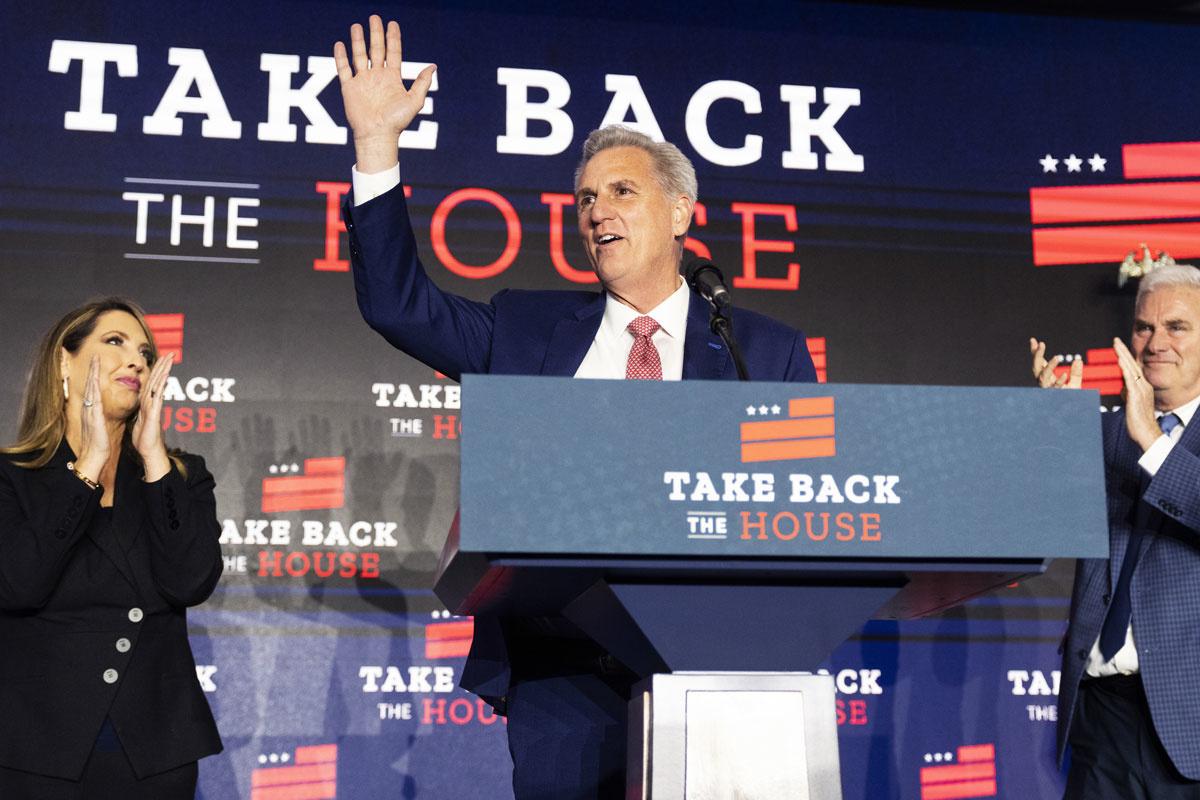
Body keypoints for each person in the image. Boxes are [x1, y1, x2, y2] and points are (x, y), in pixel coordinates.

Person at [334, 16, 817, 799]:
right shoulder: (527, 331)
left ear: (683, 212)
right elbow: (398, 305)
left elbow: (804, 506)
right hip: (560, 674)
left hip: (717, 669)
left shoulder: (761, 352)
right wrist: (376, 147)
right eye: (586, 198)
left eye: (622, 191)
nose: (596, 211)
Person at [0, 298, 223, 798]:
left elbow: (190, 581)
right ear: (64, 362)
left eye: (144, 352)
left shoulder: (178, 477)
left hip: (153, 754)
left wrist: (153, 458)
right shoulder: (12, 478)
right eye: (115, 342)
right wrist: (88, 467)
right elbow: (17, 585)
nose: (137, 361)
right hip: (37, 748)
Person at [1034, 263, 1200, 799]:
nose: (1156, 343)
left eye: (1176, 327)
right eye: (1143, 327)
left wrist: (1152, 439)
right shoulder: (1106, 431)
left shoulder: (1137, 431)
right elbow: (1047, 524)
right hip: (1102, 717)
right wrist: (1052, 426)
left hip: (1189, 718)